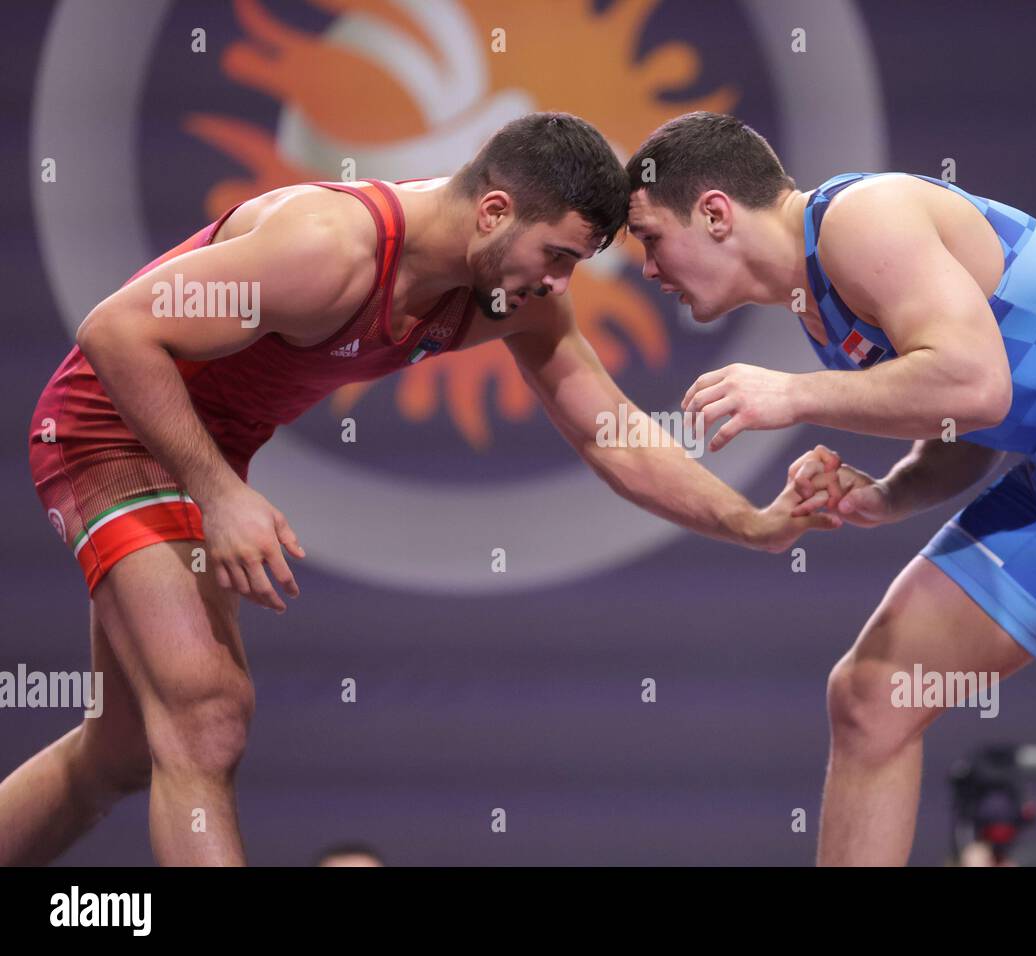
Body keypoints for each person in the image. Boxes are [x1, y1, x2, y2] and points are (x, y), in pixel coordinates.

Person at [2, 112, 836, 866]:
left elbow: (609, 436)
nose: (557, 285)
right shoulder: (327, 248)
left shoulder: (517, 297)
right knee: (206, 714)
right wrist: (218, 496)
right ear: (493, 212)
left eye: (574, 266)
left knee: (119, 755)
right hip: (111, 428)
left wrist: (752, 522)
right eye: (556, 257)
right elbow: (116, 332)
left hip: (199, 446)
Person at [623, 110, 1036, 866]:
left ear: (715, 213)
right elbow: (967, 424)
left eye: (649, 239)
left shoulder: (860, 218)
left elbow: (977, 384)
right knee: (871, 701)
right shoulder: (817, 300)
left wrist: (792, 395)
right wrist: (890, 494)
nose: (647, 270)